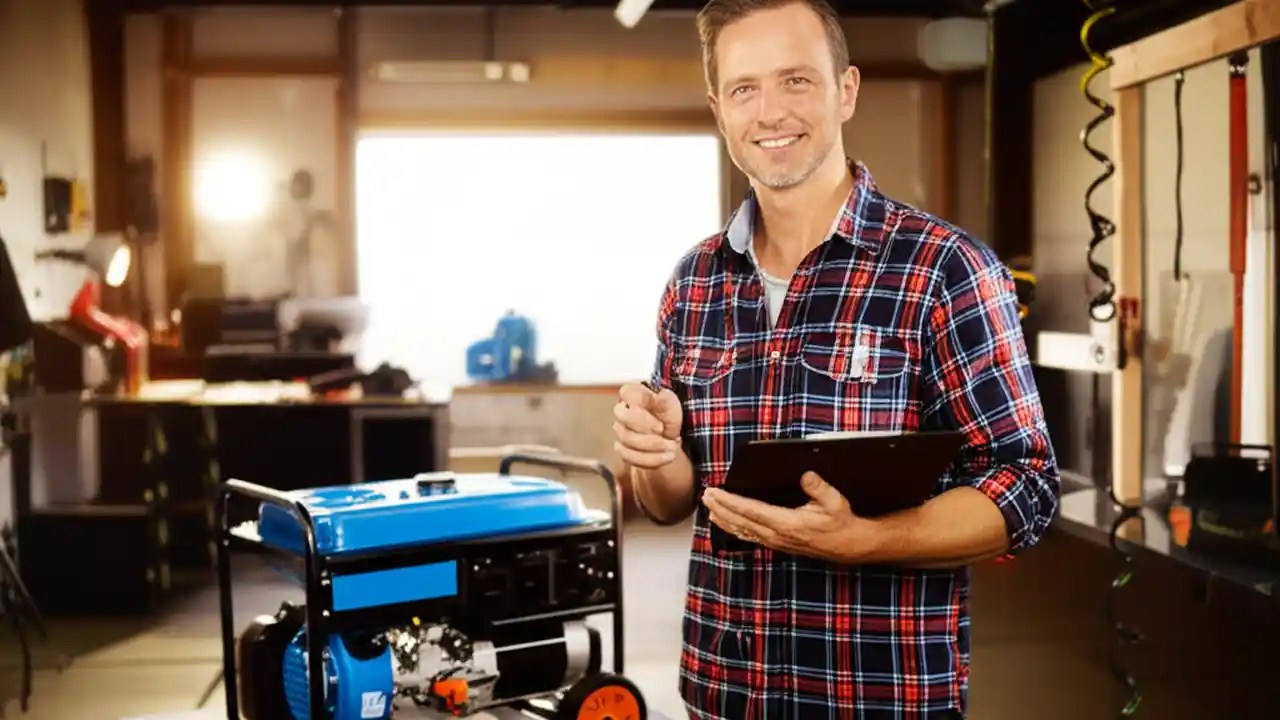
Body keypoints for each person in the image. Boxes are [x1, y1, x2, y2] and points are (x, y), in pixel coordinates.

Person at [611, 0, 1061, 718]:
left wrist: (867, 541)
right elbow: (668, 504)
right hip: (723, 692)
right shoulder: (694, 281)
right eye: (744, 88)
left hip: (876, 697)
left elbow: (1027, 487)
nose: (770, 113)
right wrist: (656, 452)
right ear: (718, 109)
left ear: (845, 89)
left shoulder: (946, 269)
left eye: (796, 80)